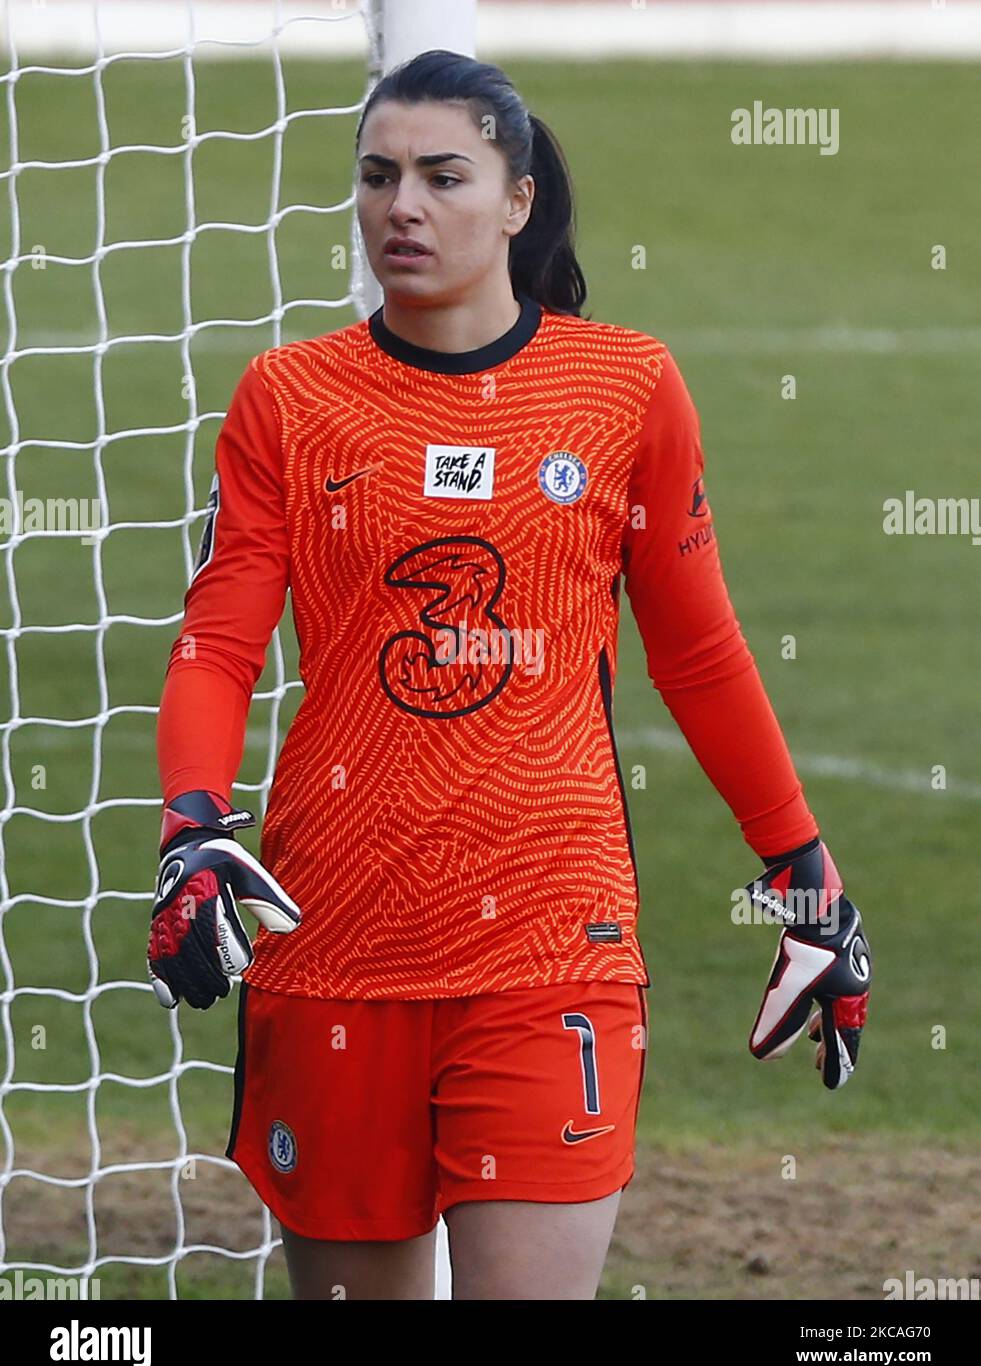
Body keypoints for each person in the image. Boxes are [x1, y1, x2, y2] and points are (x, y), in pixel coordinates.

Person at [146, 49, 871, 1301]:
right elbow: (218, 642)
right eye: (378, 177)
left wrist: (801, 864)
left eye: (442, 176)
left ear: (518, 199)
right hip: (337, 937)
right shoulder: (288, 399)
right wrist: (192, 825)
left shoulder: (624, 386)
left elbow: (697, 652)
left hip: (553, 935)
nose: (401, 208)